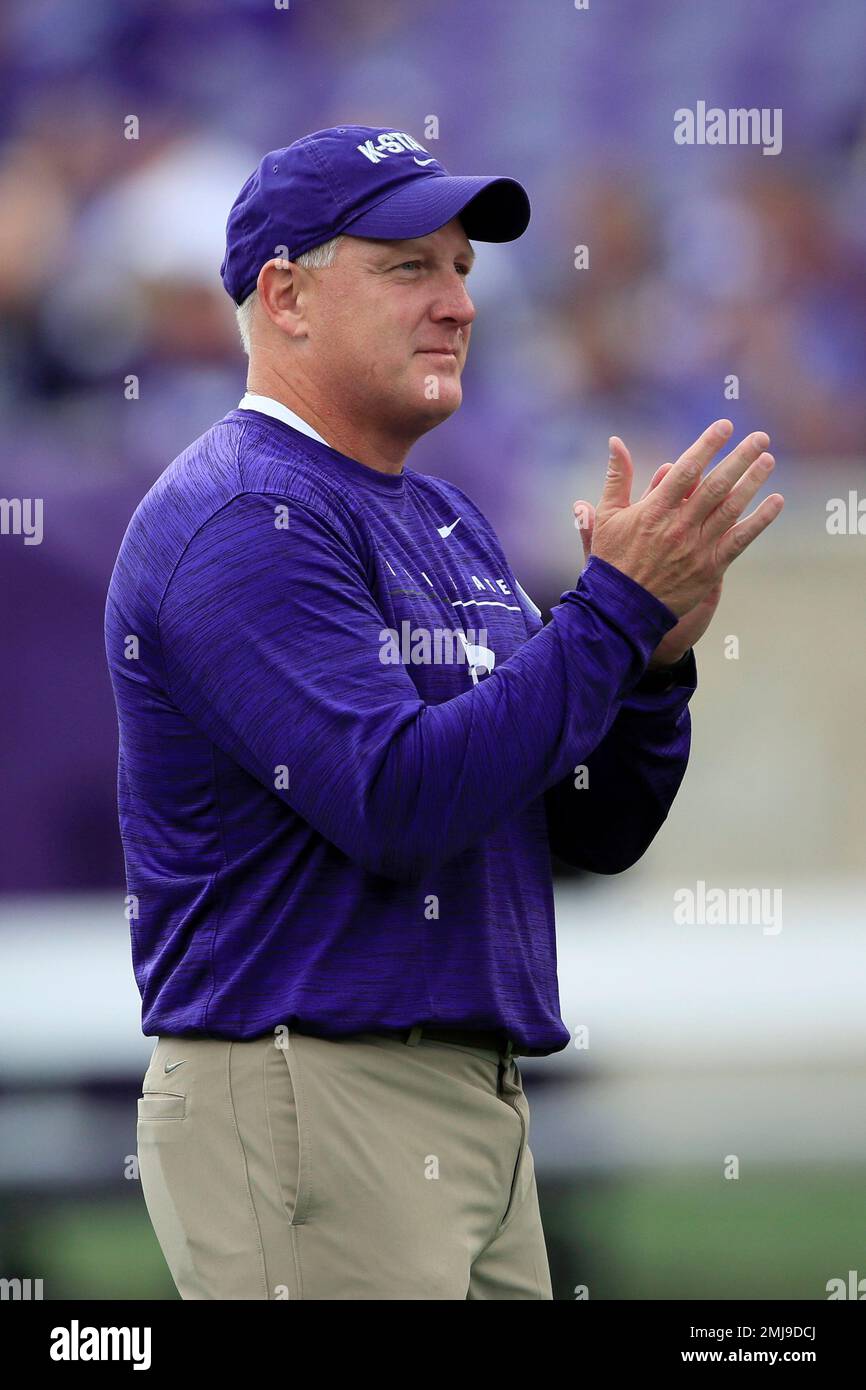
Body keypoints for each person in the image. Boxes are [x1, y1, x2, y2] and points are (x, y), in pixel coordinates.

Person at [104, 125, 783, 1300]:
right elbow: (399, 801)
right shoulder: (243, 517)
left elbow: (587, 827)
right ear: (287, 294)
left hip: (468, 1101)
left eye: (462, 270)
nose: (457, 304)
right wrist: (609, 616)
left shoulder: (446, 520)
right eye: (408, 267)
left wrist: (653, 668)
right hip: (314, 1090)